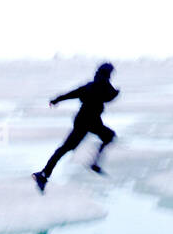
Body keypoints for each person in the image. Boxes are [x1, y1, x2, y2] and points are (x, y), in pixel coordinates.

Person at [33, 63, 118, 192]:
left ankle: (93, 164)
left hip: (90, 121)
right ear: (108, 74)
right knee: (66, 148)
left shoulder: (92, 86)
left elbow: (73, 94)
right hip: (85, 123)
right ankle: (43, 174)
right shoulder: (102, 86)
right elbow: (108, 96)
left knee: (108, 136)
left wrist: (57, 100)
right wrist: (116, 93)